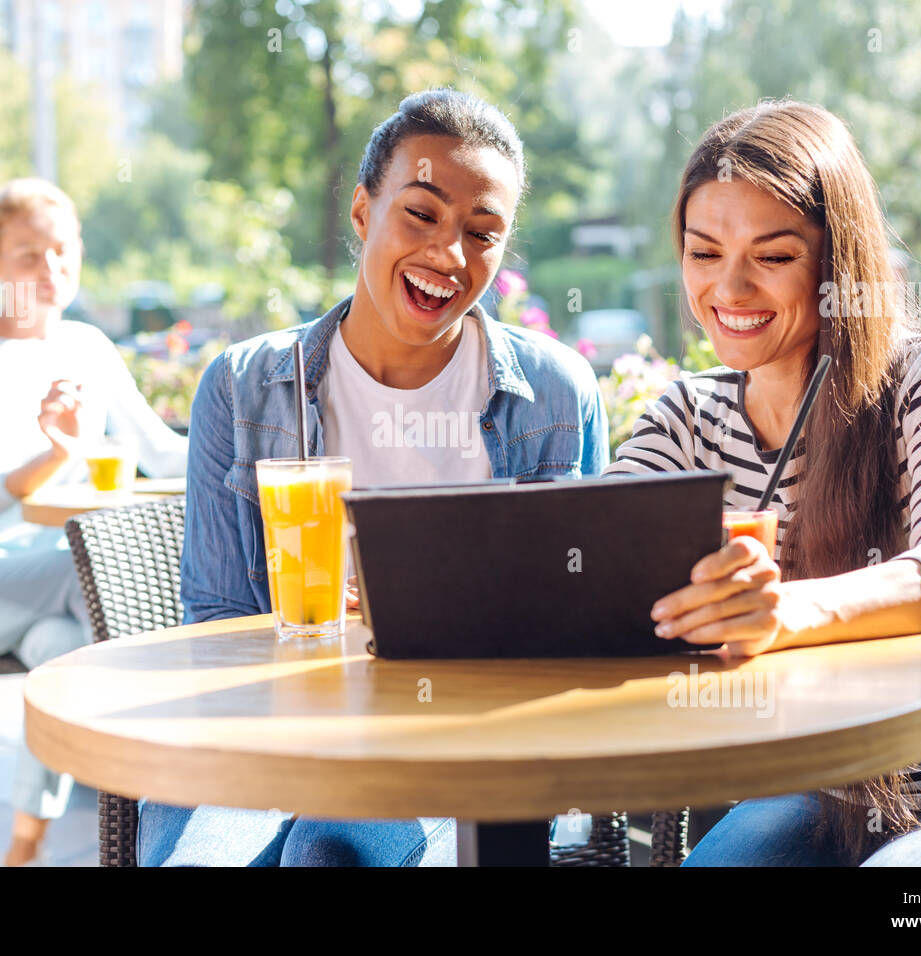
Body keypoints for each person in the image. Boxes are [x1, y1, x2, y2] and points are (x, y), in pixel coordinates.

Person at [137, 89, 608, 866]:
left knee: (333, 848)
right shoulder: (245, 386)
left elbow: (585, 626)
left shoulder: (556, 395)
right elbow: (215, 626)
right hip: (266, 744)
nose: (449, 255)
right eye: (420, 214)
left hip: (470, 752)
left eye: (481, 233)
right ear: (362, 212)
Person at [606, 100, 921, 866]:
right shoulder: (688, 418)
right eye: (703, 252)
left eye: (775, 255)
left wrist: (777, 613)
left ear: (837, 261)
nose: (731, 287)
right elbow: (591, 554)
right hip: (823, 784)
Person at [0, 178, 189, 866]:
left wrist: (254, 440)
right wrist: (57, 446)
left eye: (62, 252)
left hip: (47, 591)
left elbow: (158, 451)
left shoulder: (88, 345)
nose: (50, 270)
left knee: (68, 649)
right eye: (29, 255)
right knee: (91, 575)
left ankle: (23, 849)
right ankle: (162, 779)